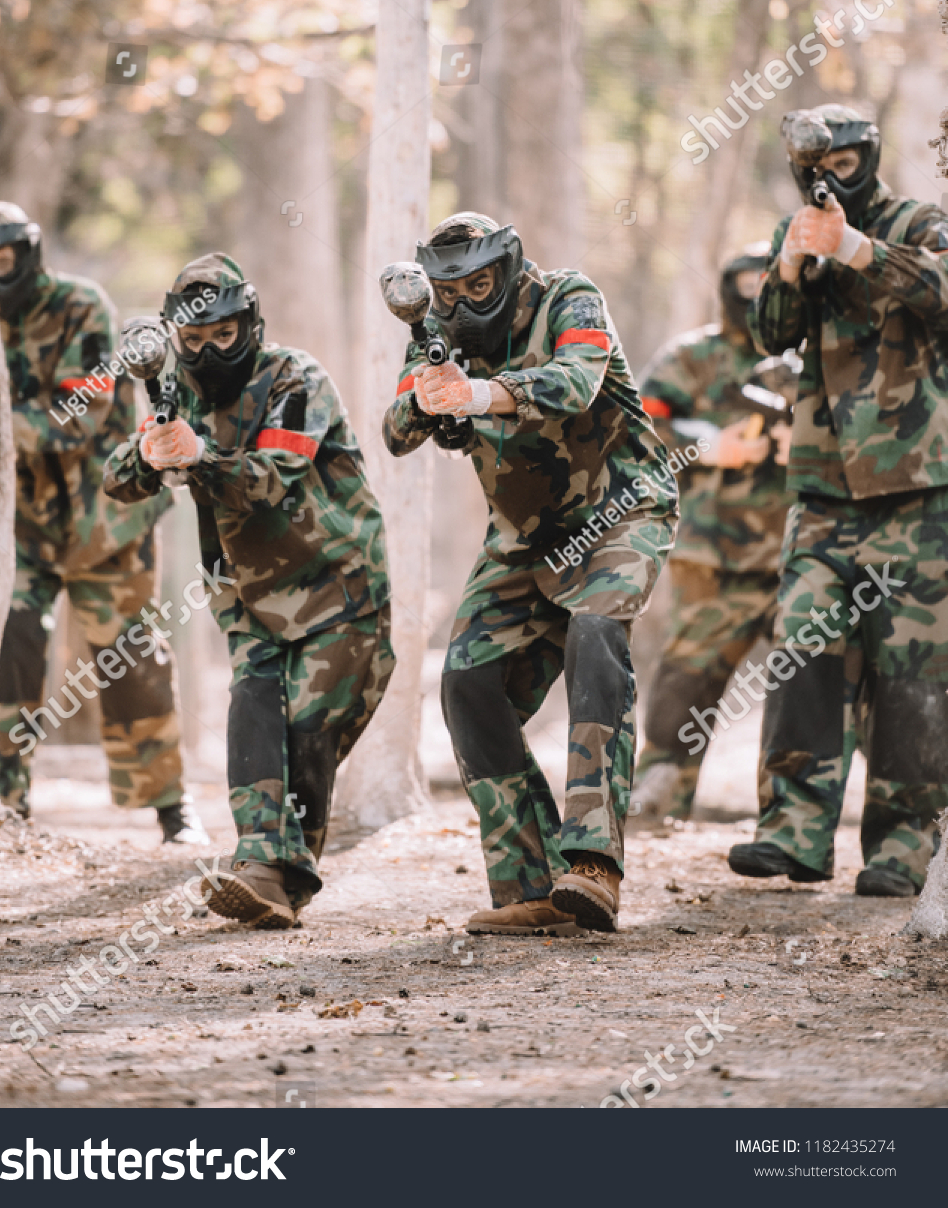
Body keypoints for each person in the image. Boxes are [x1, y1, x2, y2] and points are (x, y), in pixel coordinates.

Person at [383, 213, 677, 935]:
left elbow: (576, 382)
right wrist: (429, 396)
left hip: (619, 510)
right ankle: (534, 886)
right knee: (466, 683)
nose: (459, 300)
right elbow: (395, 431)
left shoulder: (568, 297)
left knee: (595, 638)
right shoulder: (438, 332)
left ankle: (593, 864)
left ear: (508, 268)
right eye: (446, 289)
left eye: (476, 283)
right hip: (524, 536)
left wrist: (479, 396)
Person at [104, 253, 392, 928]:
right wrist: (150, 454)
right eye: (194, 340)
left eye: (222, 335)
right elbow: (118, 480)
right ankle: (262, 868)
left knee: (309, 730)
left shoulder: (295, 377)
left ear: (250, 322)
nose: (208, 351)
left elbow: (275, 477)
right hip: (248, 594)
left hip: (338, 584)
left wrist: (199, 455)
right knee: (254, 707)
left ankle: (280, 877)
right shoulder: (175, 392)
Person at [728, 105, 948, 897]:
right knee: (800, 657)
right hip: (821, 489)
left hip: (918, 489)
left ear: (870, 156)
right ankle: (791, 831)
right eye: (817, 165)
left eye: (847, 162)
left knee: (912, 673)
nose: (831, 177)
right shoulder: (799, 232)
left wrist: (856, 247)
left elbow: (941, 288)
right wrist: (791, 263)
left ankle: (904, 848)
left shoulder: (917, 221)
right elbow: (767, 332)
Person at [0, 201, 205, 843]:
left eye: (5, 260)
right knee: (10, 649)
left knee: (129, 659)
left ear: (28, 253)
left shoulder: (82, 305)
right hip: (18, 529)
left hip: (106, 523)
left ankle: (170, 809)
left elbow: (73, 416)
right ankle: (4, 808)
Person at [630, 246, 791, 824]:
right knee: (686, 682)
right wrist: (708, 443)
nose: (753, 294)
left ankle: (791, 824)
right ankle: (658, 795)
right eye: (743, 283)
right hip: (712, 556)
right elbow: (639, 427)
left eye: (764, 282)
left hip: (804, 557)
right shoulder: (693, 356)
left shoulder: (814, 352)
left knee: (811, 694)